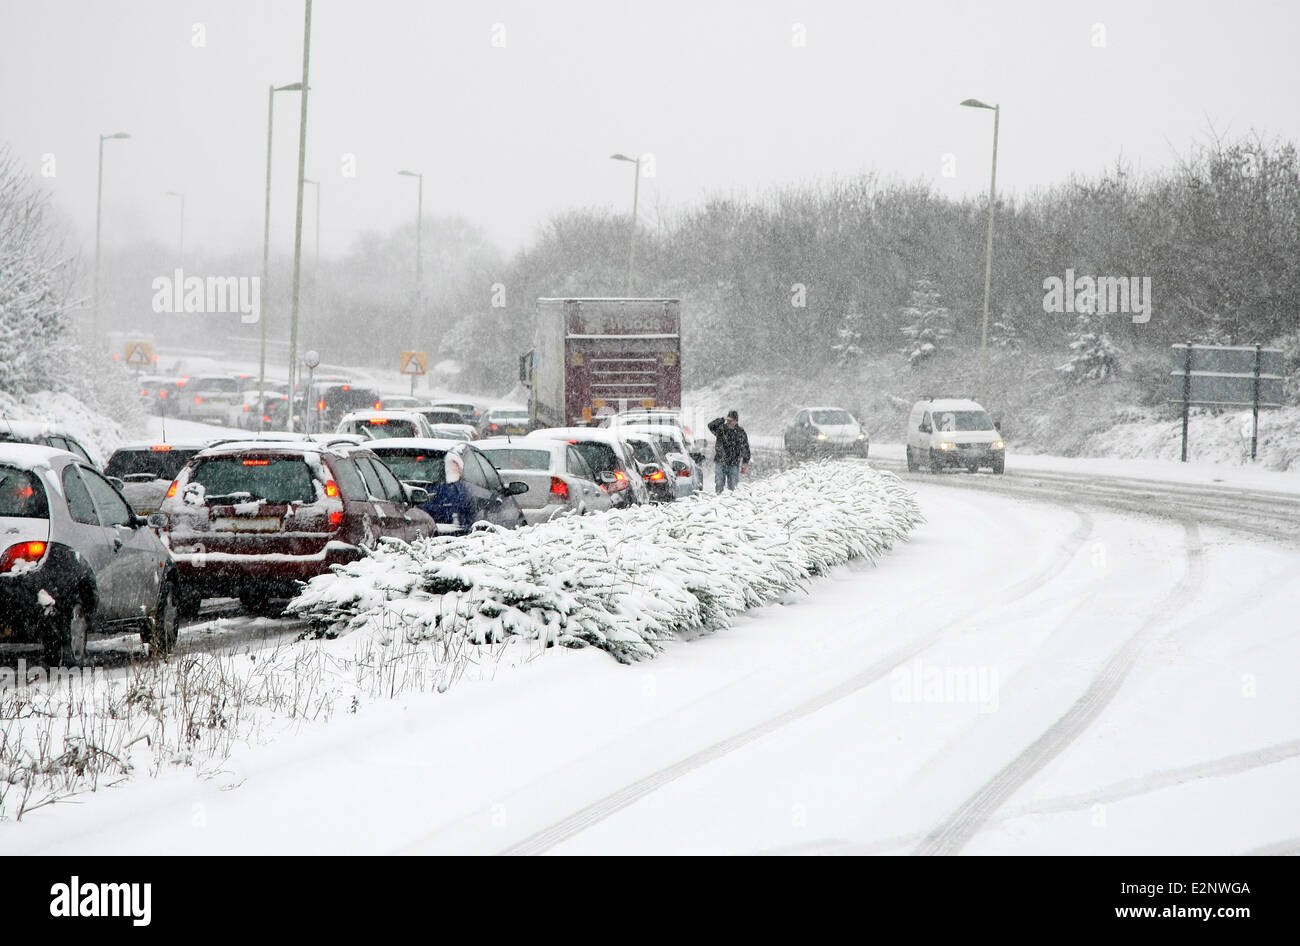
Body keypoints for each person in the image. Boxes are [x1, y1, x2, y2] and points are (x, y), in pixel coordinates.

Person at [707, 409, 750, 492]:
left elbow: (746, 448)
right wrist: (721, 420)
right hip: (720, 461)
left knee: (733, 487)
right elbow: (710, 426)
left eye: (731, 421)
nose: (729, 422)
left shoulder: (741, 432)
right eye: (728, 420)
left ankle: (732, 502)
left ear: (736, 421)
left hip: (734, 463)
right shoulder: (721, 429)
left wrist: (745, 462)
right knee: (719, 484)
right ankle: (718, 501)